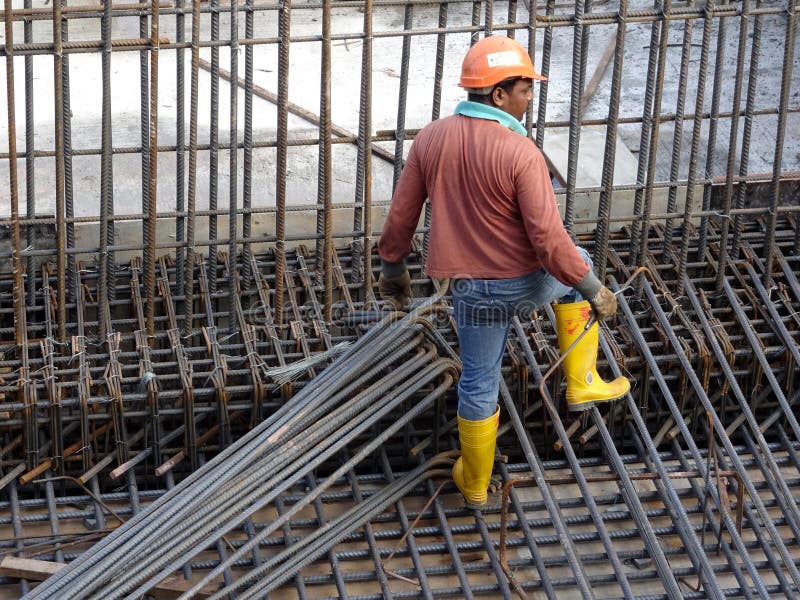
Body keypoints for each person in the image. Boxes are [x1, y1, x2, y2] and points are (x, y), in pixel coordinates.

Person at [377, 35, 630, 506]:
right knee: (580, 265)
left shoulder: (431, 138)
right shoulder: (521, 153)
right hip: (525, 286)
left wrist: (393, 268)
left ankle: (473, 482)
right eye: (525, 89)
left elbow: (401, 217)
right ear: (498, 94)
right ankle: (581, 382)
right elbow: (550, 243)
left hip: (470, 292)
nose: (529, 98)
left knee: (478, 381)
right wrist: (594, 289)